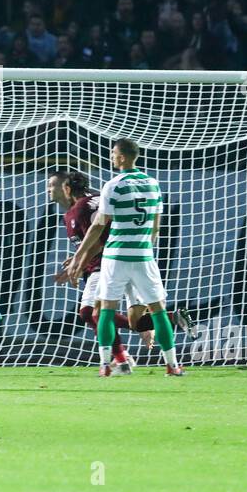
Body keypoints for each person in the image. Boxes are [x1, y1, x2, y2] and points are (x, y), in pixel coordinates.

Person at [67, 138, 183, 377]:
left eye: (112, 153)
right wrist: (144, 249)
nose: (111, 157)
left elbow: (99, 224)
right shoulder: (153, 184)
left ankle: (105, 366)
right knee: (158, 310)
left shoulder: (113, 185)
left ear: (121, 157)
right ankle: (172, 365)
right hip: (142, 256)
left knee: (106, 310)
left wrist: (79, 257)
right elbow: (156, 227)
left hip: (115, 255)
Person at [48, 168, 152, 375]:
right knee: (97, 314)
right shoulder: (93, 201)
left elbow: (101, 238)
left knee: (91, 312)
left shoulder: (80, 209)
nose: (49, 190)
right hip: (121, 260)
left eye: (52, 185)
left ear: (66, 188)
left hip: (106, 265)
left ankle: (123, 358)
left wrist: (79, 262)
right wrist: (77, 259)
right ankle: (125, 354)